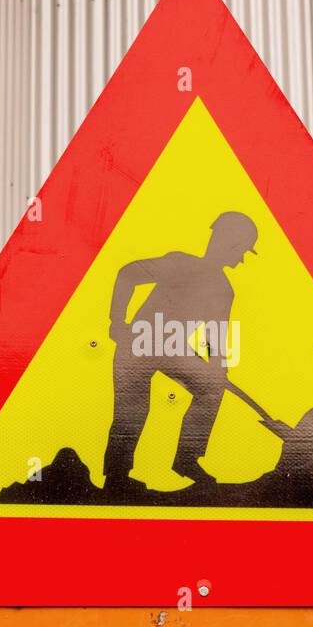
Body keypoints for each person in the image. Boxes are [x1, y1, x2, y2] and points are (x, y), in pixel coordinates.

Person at [103, 211, 258, 494]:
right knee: (133, 410)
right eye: (243, 251)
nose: (242, 259)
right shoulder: (181, 264)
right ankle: (117, 476)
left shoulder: (224, 290)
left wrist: (217, 370)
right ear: (231, 244)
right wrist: (116, 322)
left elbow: (214, 335)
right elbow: (126, 274)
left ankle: (186, 458)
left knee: (211, 386)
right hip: (140, 341)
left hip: (173, 347)